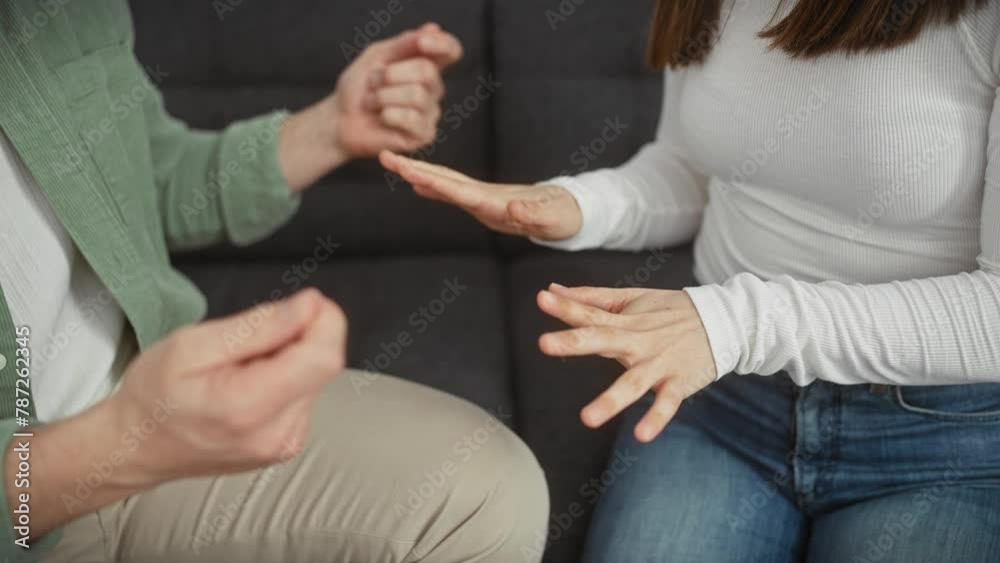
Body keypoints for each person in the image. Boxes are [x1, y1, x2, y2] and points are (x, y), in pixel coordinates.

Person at [380, 0, 1000, 561]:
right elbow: (691, 172)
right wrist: (569, 205)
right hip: (718, 398)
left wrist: (736, 322)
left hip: (941, 437)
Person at [0, 2, 548, 562]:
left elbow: (147, 178)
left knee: (491, 498)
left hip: (135, 403)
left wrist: (333, 127)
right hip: (32, 507)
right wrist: (121, 441)